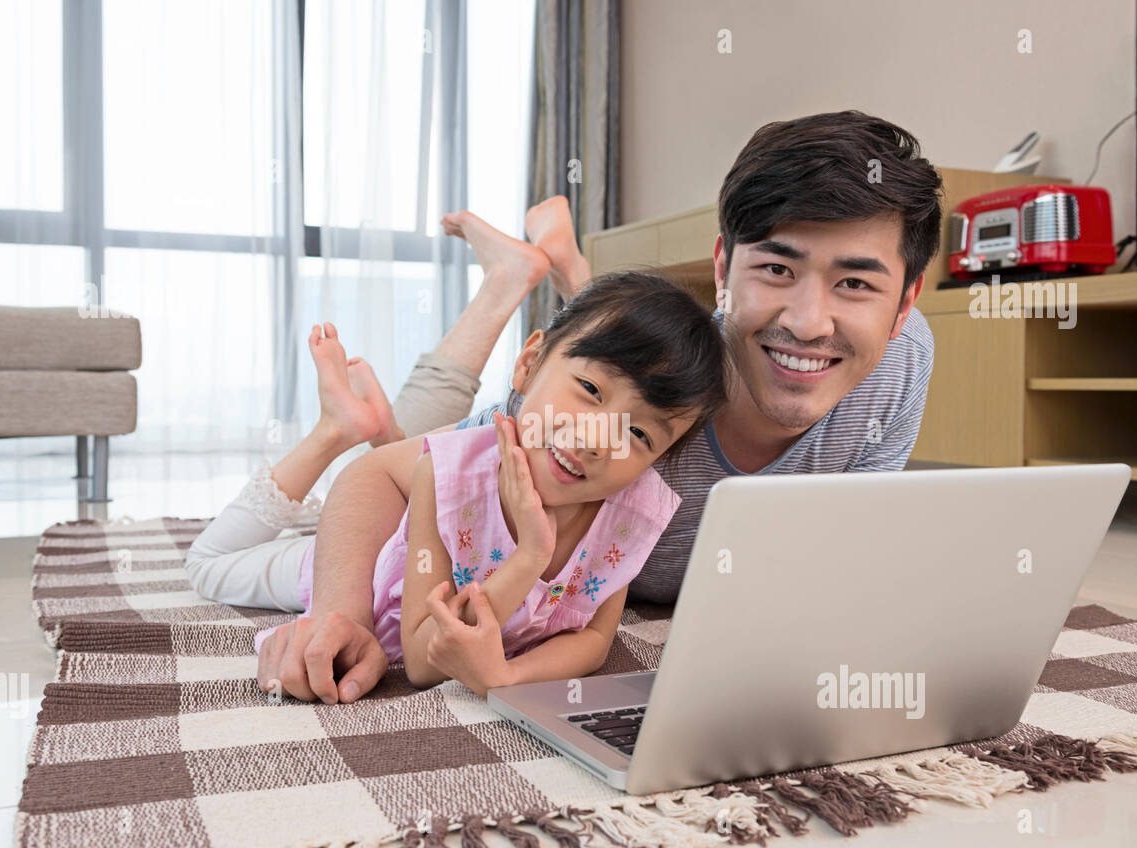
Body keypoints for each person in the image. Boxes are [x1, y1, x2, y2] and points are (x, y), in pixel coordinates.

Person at [257, 108, 943, 705]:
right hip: (478, 447)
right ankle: (509, 283)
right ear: (722, 266)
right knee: (415, 433)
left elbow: (849, 543)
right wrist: (338, 613)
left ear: (904, 301)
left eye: (855, 283)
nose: (811, 321)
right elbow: (387, 475)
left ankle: (566, 269)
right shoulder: (580, 437)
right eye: (776, 269)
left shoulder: (903, 358)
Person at [185, 268, 731, 698]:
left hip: (414, 522)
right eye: (589, 387)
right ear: (528, 363)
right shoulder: (451, 471)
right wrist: (530, 557)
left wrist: (507, 679)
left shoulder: (634, 513)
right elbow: (423, 661)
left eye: (638, 432)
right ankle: (334, 432)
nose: (597, 438)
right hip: (372, 574)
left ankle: (379, 432)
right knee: (207, 565)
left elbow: (592, 640)